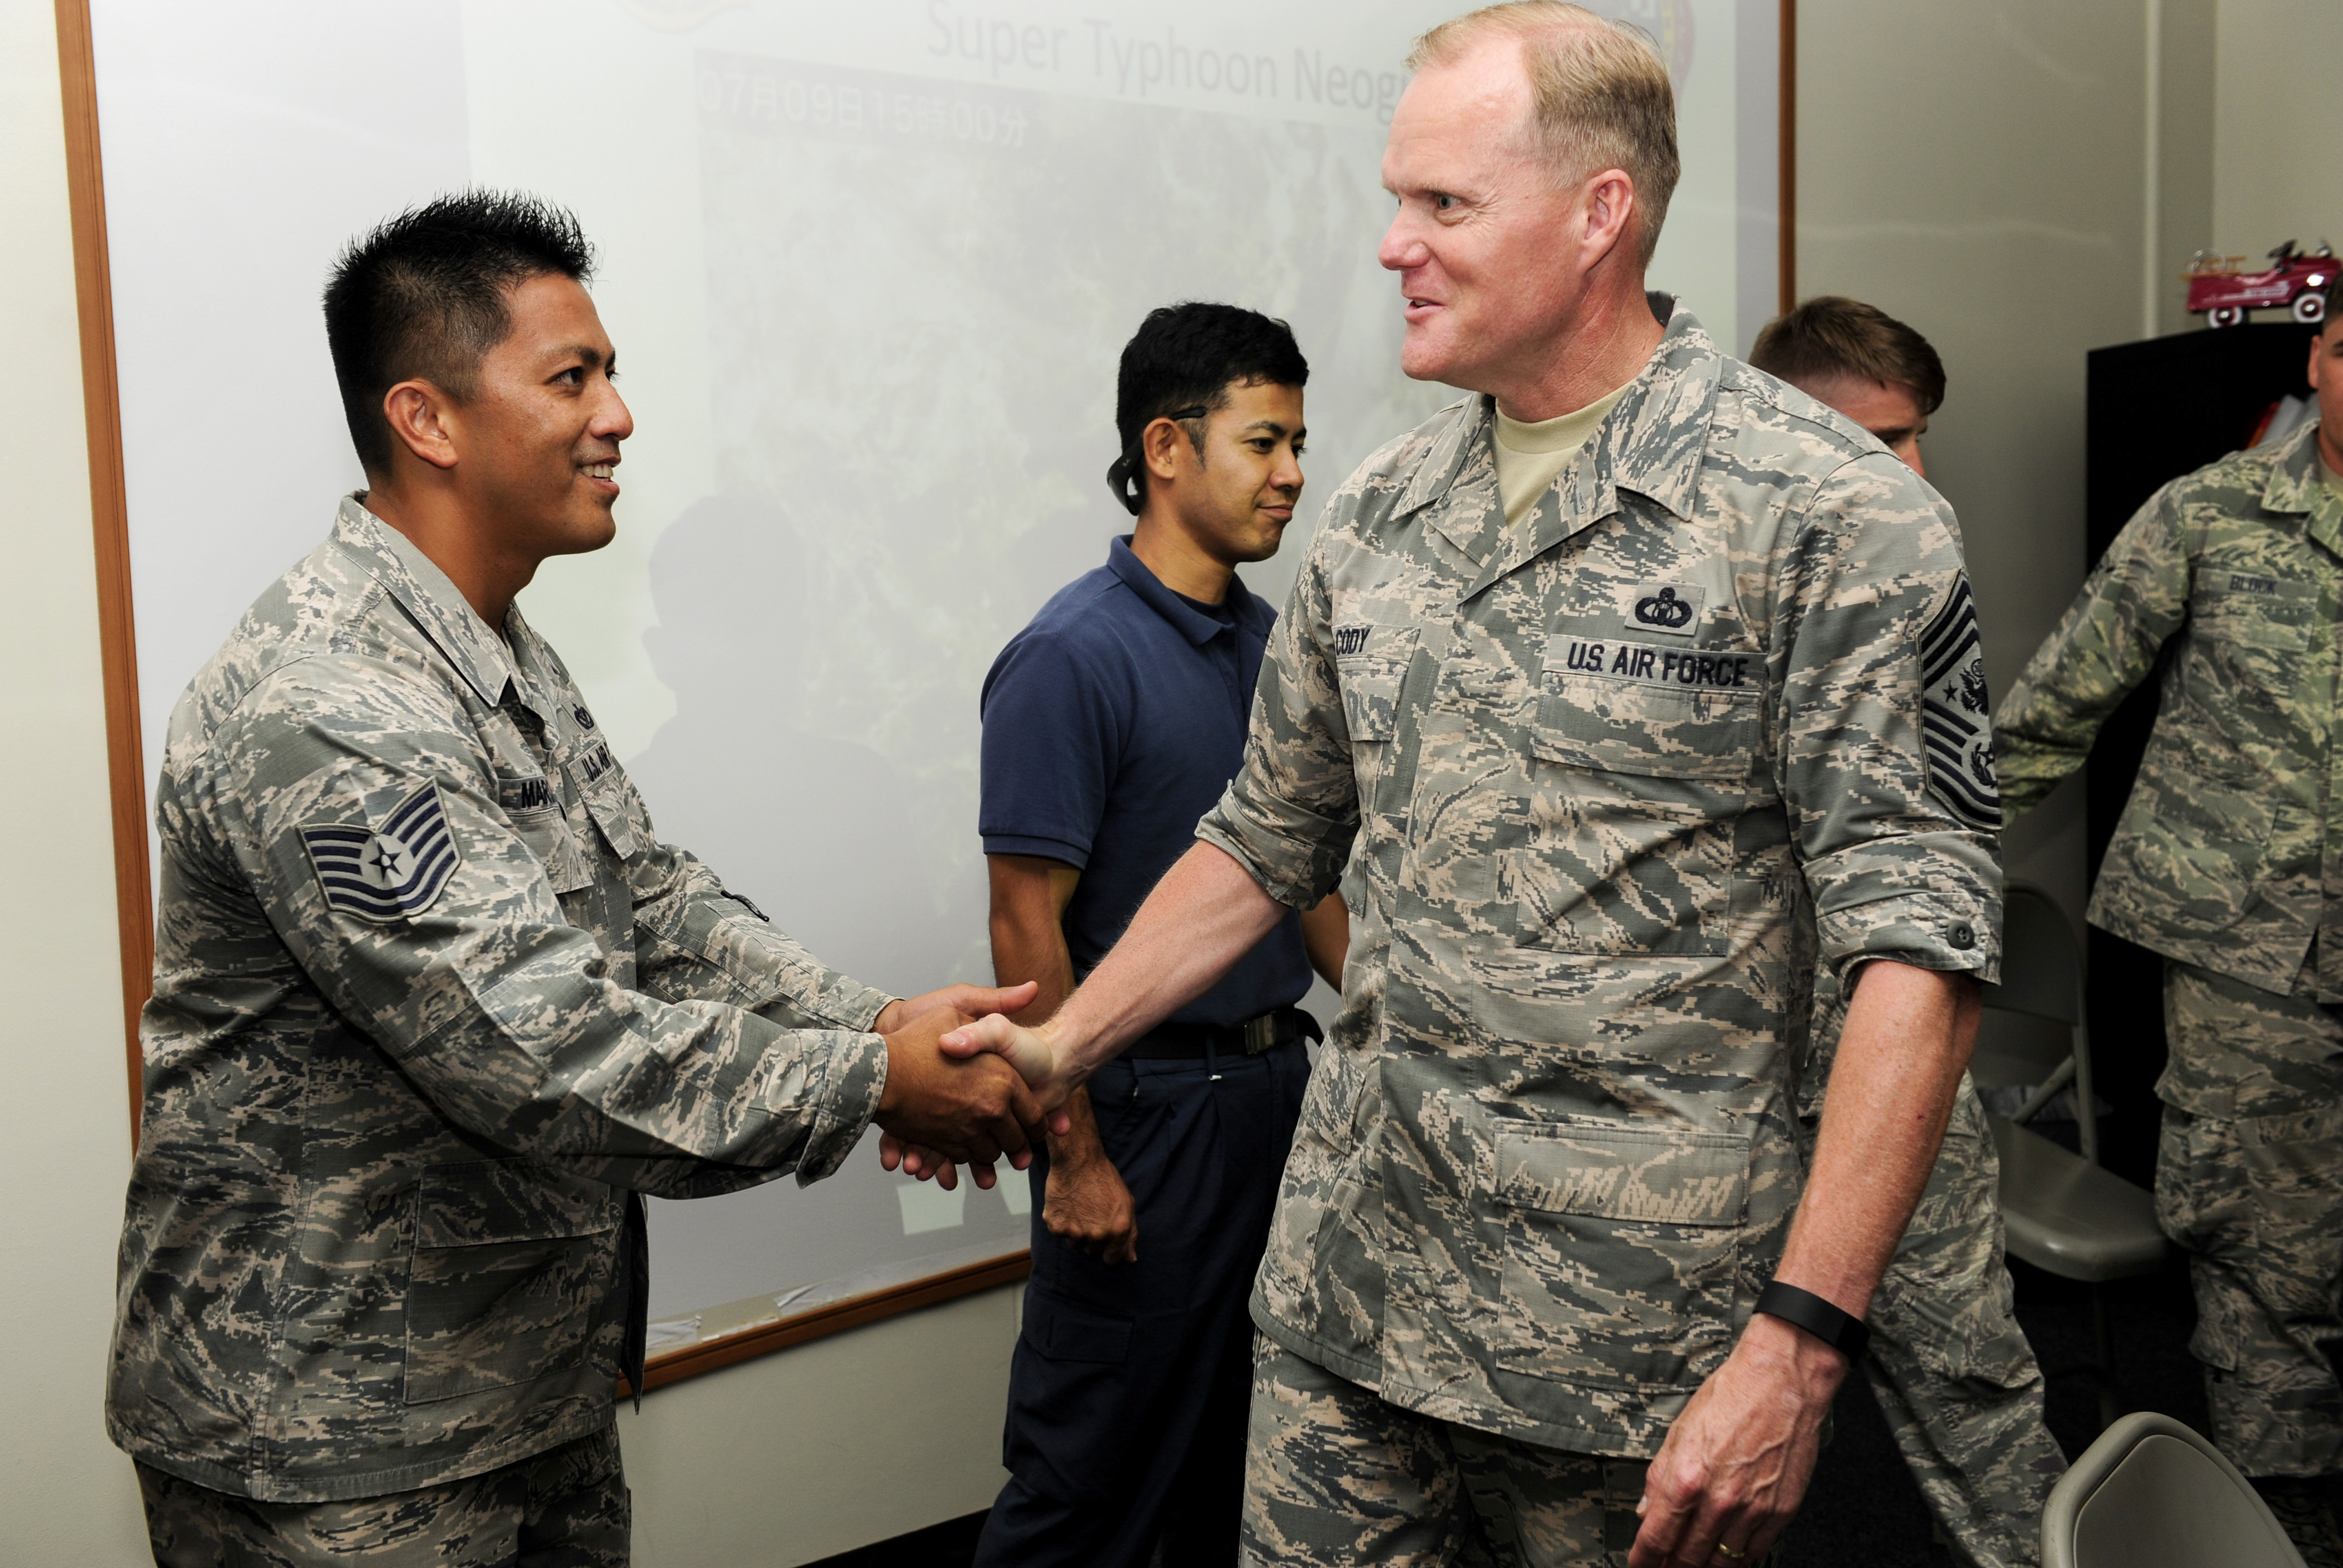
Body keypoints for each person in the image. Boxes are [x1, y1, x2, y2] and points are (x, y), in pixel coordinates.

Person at [944, 6, 2003, 1564]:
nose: (1393, 247)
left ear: (1600, 216)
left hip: (1632, 1352)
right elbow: (1261, 841)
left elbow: (1922, 952)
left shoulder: (1831, 517)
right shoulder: (1381, 510)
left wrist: (1799, 1340)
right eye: (1396, 201)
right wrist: (1056, 1048)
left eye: (1443, 206)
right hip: (1349, 1307)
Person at [105, 192, 1043, 1567]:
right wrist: (875, 1083)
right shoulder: (327, 700)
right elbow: (538, 1049)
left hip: (520, 1392)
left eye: (610, 372)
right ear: (426, 419)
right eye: (571, 377)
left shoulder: (496, 647)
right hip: (335, 1446)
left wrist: (876, 1026)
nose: (617, 414)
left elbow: (653, 906)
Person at [971, 302, 1351, 1567]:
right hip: (1141, 1116)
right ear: (1167, 449)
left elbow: (1300, 882)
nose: (1293, 473)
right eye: (1263, 442)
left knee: (1242, 1468)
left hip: (1275, 1096)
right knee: (1091, 1487)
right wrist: (1072, 1155)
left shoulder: (1273, 643)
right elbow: (1025, 927)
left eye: (1299, 442)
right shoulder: (1070, 656)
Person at [1995, 278, 2343, 1555]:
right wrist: (1900, 857)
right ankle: (2281, 1538)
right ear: (2320, 355)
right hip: (2256, 977)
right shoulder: (2211, 513)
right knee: (2265, 1285)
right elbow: (2054, 709)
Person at [1750, 296, 2067, 1568]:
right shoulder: (1694, 600)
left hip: (1892, 1082)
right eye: (1881, 441)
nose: (1916, 473)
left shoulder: (1920, 600)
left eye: (1919, 436)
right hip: (1732, 1095)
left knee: (1974, 1396)